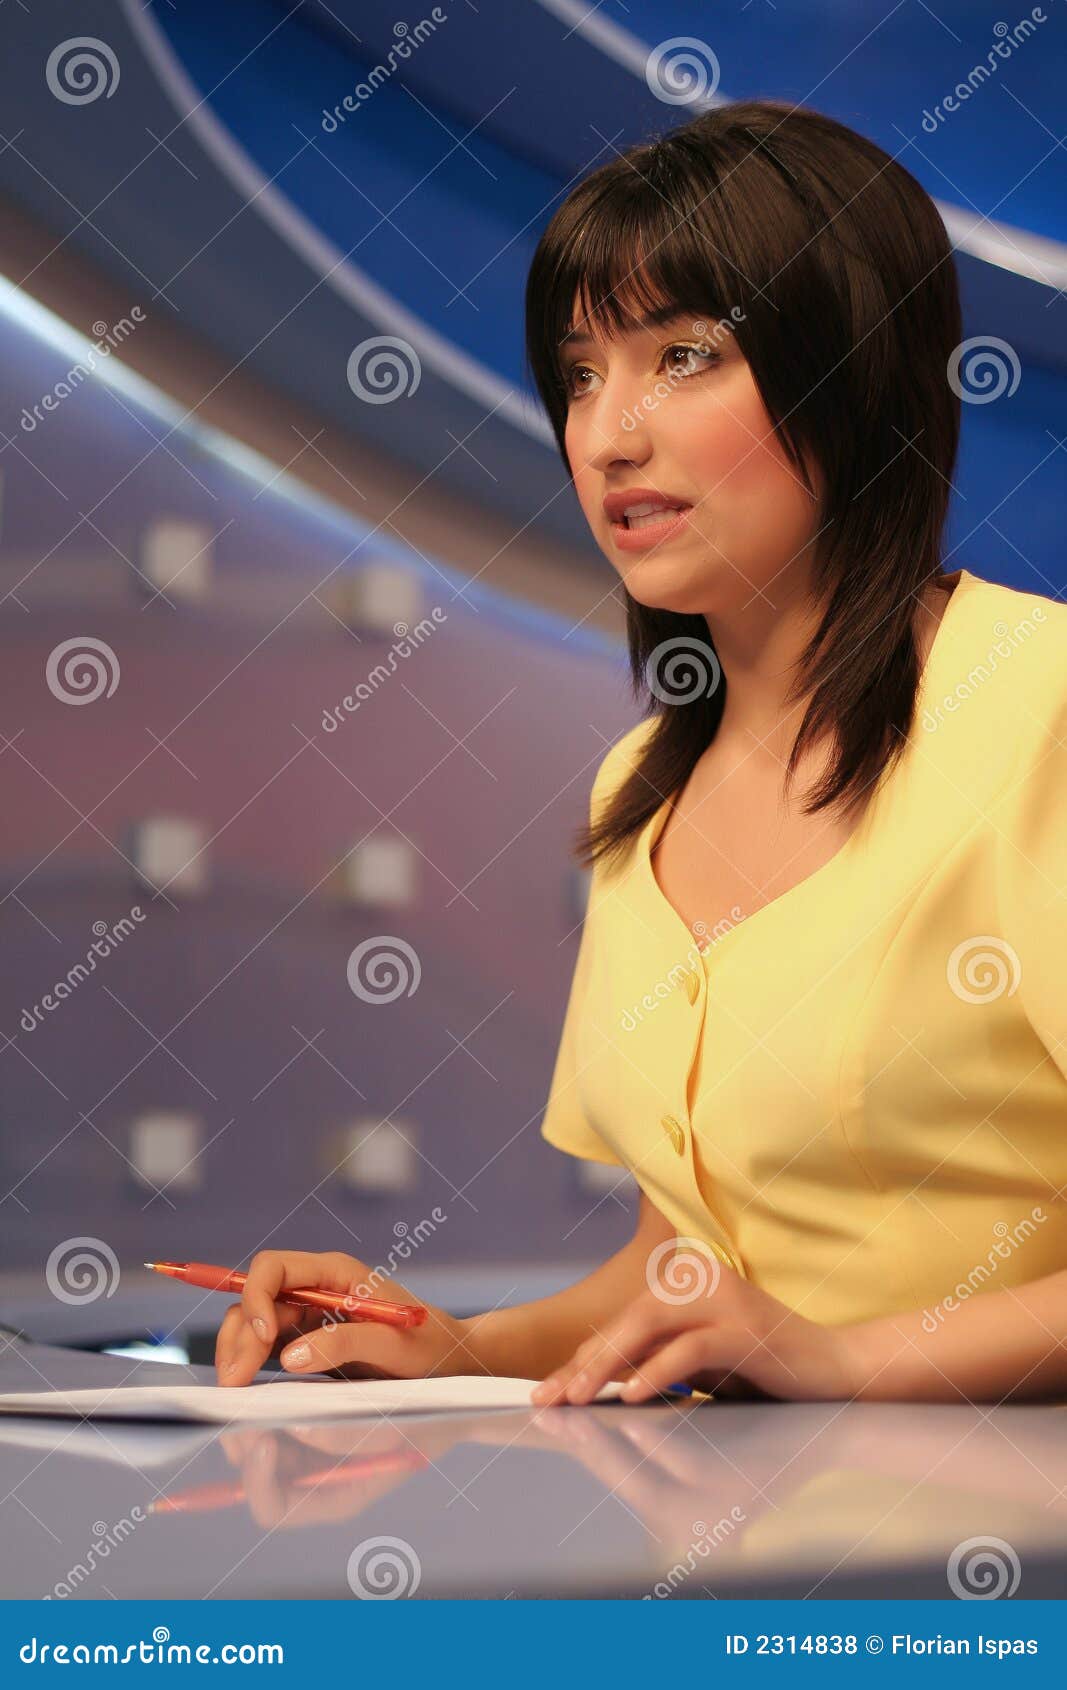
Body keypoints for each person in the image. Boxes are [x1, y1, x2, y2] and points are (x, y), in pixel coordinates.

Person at [214, 99, 1067, 1404]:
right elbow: (684, 1270)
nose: (610, 434)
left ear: (853, 372)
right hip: (726, 1550)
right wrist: (449, 1345)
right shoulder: (640, 790)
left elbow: (795, 1338)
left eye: (684, 357)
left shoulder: (1037, 701)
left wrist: (841, 1362)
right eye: (580, 374)